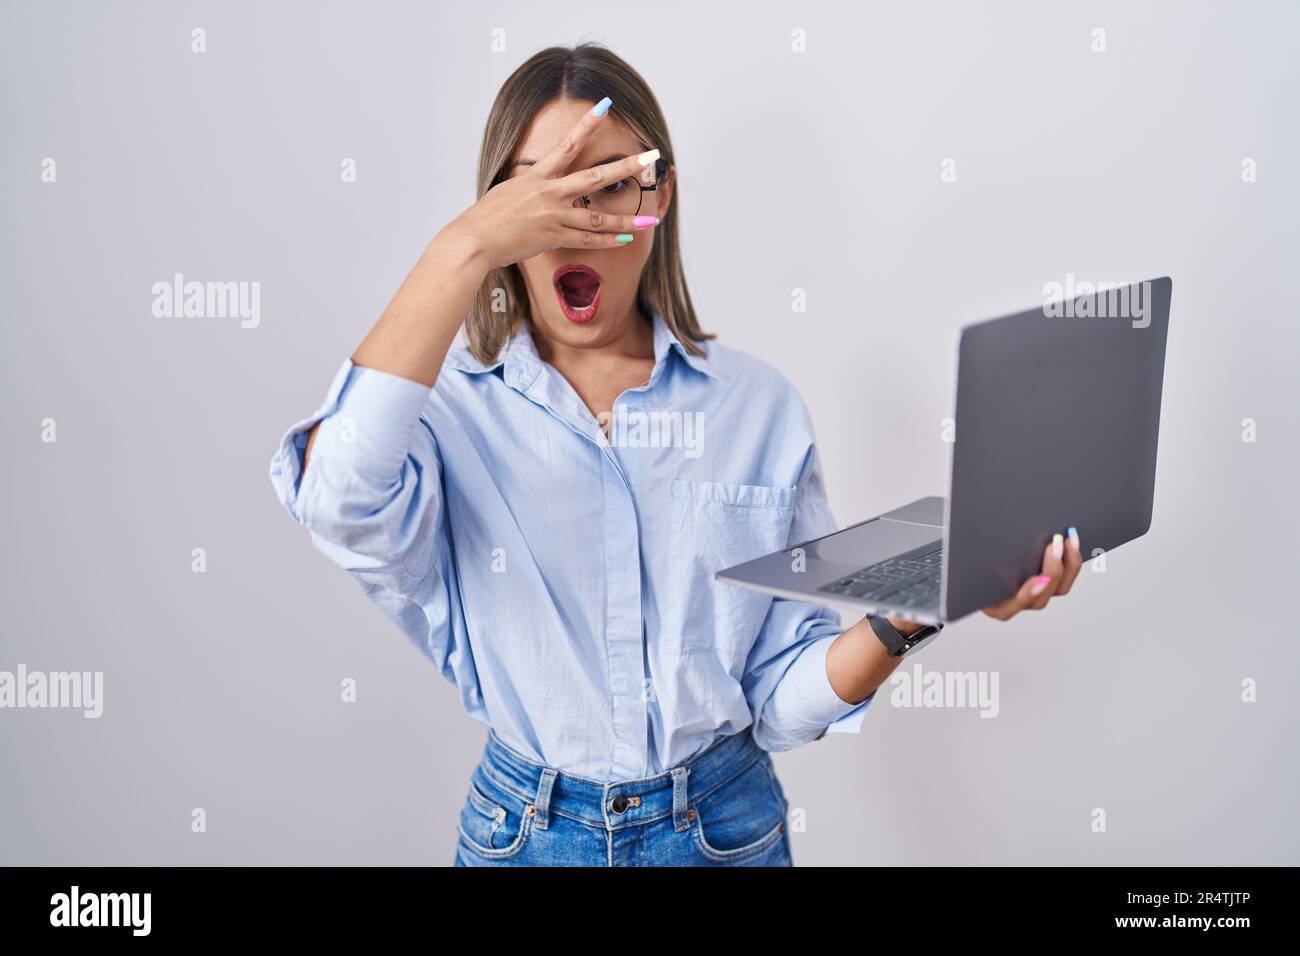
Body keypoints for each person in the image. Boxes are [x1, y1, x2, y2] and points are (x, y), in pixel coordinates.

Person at [268, 43, 1082, 867]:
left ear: (660, 196)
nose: (574, 219)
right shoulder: (441, 408)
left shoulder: (755, 407)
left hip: (724, 831)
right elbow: (338, 501)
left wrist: (909, 614)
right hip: (524, 838)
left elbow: (778, 701)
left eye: (611, 183)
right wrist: (460, 251)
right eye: (537, 189)